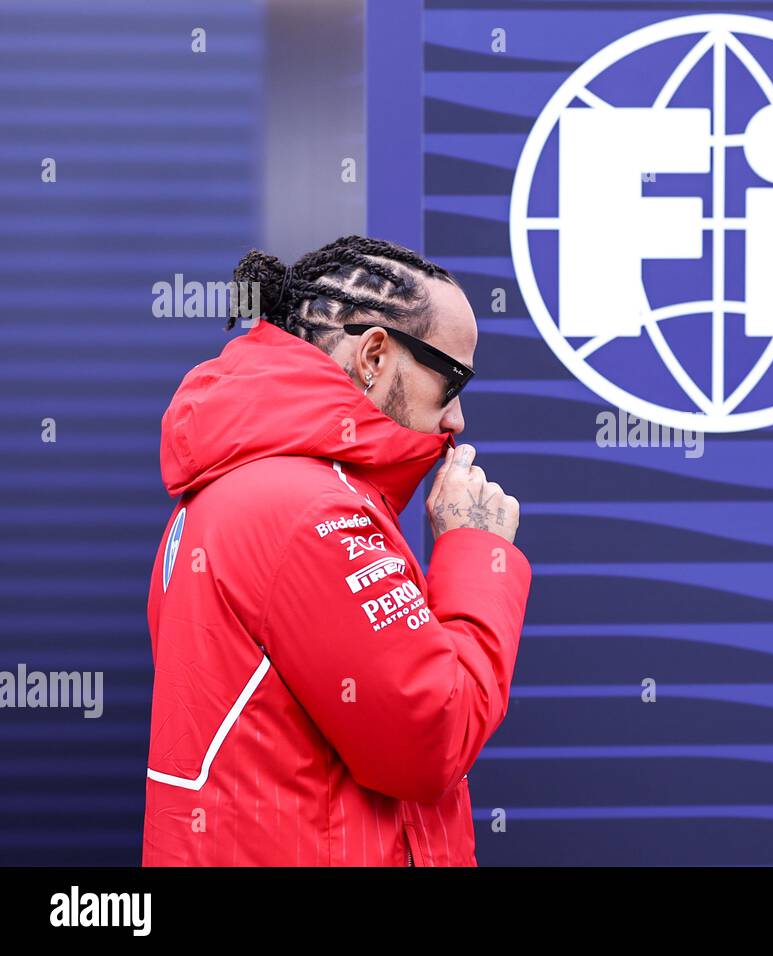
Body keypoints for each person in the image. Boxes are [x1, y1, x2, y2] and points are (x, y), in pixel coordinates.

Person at [141, 236, 530, 866]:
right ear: (375, 353)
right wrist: (474, 553)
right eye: (451, 379)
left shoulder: (243, 484)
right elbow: (430, 737)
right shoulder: (314, 511)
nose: (457, 418)